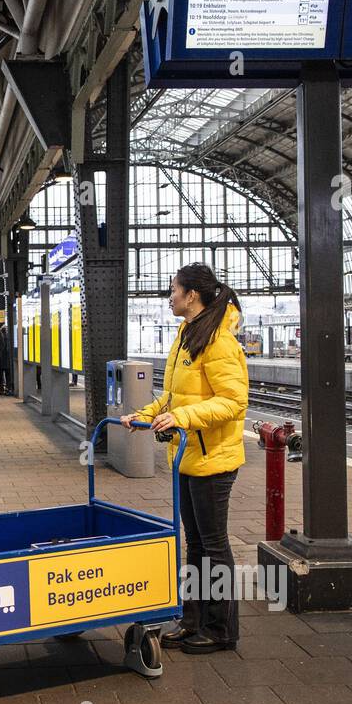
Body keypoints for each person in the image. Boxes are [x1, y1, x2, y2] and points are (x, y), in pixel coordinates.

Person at [121, 263, 248, 655]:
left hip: (214, 458)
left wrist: (182, 418)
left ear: (192, 295)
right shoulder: (187, 334)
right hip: (188, 455)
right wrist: (144, 415)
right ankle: (192, 621)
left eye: (173, 289)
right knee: (195, 544)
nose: (170, 296)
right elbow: (174, 396)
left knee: (214, 544)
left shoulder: (219, 342)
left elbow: (233, 400)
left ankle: (222, 629)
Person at [0, 323, 13, 396]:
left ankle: (2, 389)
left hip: (1, 359)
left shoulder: (0, 338)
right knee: (8, 375)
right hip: (7, 359)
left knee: (1, 375)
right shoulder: (9, 338)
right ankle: (8, 388)